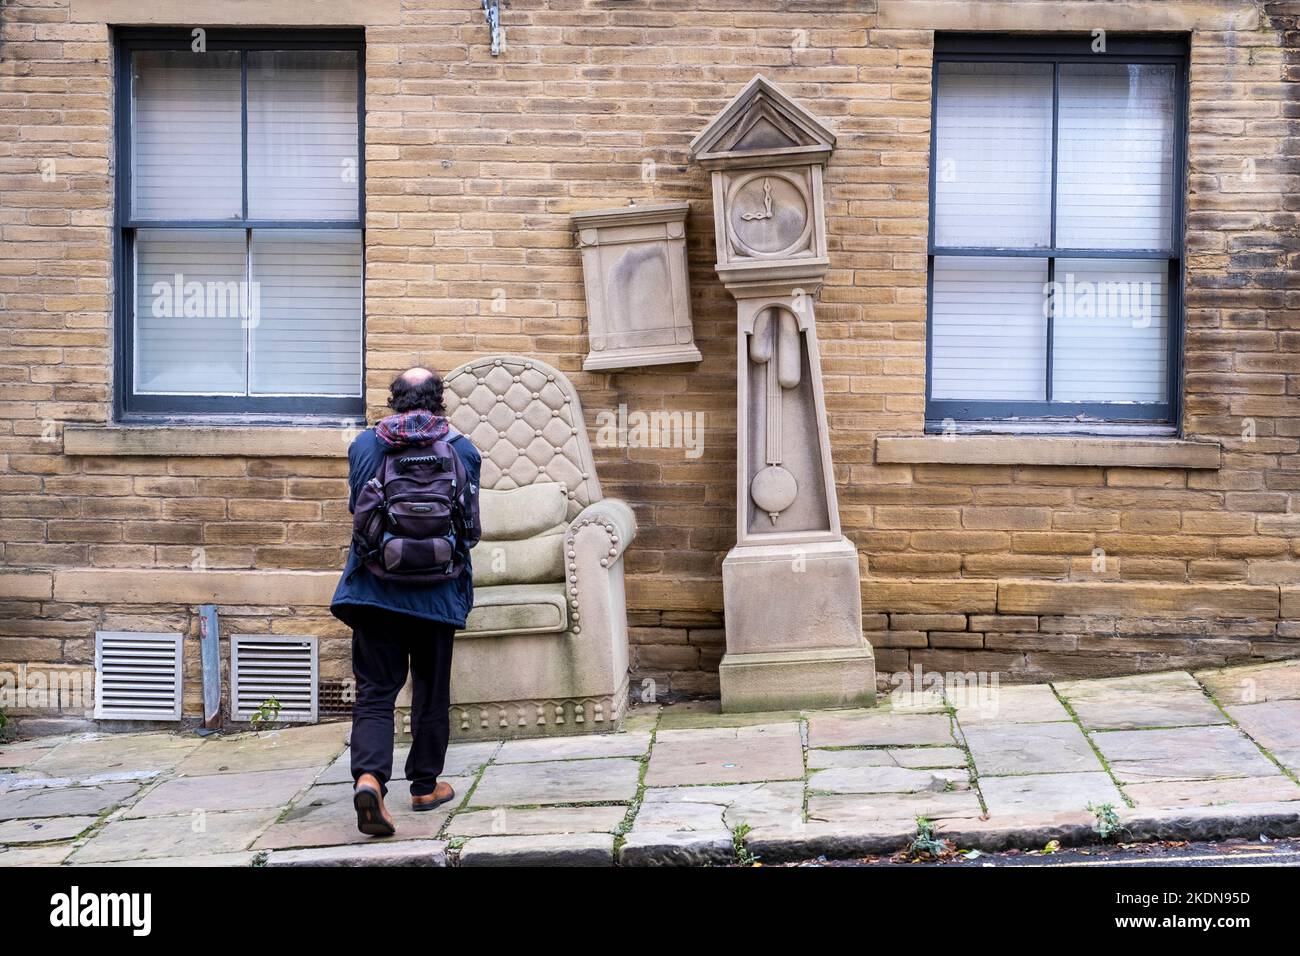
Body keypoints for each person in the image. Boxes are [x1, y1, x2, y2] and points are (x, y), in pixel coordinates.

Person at [330, 367, 481, 836]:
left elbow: (359, 510)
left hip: (376, 591)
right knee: (431, 690)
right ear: (440, 400)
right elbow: (470, 529)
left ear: (394, 399)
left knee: (375, 693)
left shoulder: (364, 446)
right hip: (437, 590)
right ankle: (425, 785)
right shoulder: (462, 448)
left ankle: (371, 780)